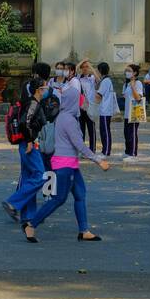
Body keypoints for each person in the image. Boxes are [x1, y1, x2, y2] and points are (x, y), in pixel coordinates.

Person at [23, 79, 109, 243]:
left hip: (69, 164)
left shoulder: (63, 116)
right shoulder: (68, 119)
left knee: (80, 194)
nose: (82, 103)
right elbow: (79, 145)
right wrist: (98, 160)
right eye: (80, 100)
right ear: (73, 102)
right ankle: (31, 224)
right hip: (65, 165)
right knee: (59, 198)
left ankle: (84, 230)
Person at [2, 65, 52, 222]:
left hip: (28, 142)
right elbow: (25, 122)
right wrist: (30, 140)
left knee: (28, 175)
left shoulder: (33, 102)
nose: (46, 90)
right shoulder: (33, 104)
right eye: (44, 88)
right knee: (40, 175)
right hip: (29, 143)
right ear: (38, 89)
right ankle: (13, 202)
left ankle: (28, 215)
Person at [122, 64, 144, 160]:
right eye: (126, 70)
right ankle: (128, 152)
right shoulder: (127, 84)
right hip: (127, 112)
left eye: (129, 70)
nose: (127, 72)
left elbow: (138, 98)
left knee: (132, 133)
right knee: (126, 133)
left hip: (134, 112)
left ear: (134, 73)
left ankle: (133, 154)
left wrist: (132, 87)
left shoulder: (138, 83)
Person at [78, 60, 98, 151]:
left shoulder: (92, 78)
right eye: (83, 67)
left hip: (90, 106)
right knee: (81, 130)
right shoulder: (78, 78)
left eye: (87, 67)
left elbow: (99, 80)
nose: (85, 69)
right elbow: (73, 70)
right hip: (81, 106)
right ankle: (82, 150)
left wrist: (91, 67)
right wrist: (82, 61)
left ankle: (92, 149)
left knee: (91, 128)